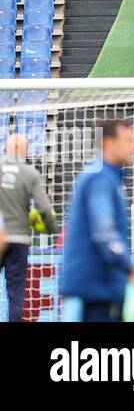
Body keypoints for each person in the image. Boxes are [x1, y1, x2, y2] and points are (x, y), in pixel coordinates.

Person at [61, 118, 134, 322]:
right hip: (93, 290)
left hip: (103, 288)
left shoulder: (109, 177)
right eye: (129, 140)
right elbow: (104, 234)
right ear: (109, 143)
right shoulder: (100, 178)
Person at [0, 133, 58, 322]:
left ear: (6, 148)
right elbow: (44, 209)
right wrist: (51, 228)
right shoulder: (30, 173)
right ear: (25, 150)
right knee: (16, 296)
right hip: (19, 239)